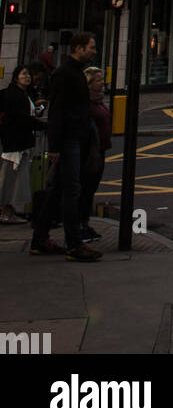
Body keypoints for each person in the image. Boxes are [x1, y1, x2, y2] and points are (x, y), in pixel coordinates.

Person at [30, 31, 103, 261]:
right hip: (68, 140)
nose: (94, 51)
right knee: (72, 191)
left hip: (75, 139)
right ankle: (74, 244)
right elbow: (57, 112)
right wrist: (54, 147)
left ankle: (39, 239)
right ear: (78, 48)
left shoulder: (76, 73)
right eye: (91, 47)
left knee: (59, 190)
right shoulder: (64, 74)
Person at [0, 66, 46, 222]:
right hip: (14, 142)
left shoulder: (25, 93)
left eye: (28, 74)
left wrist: (38, 110)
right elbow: (22, 118)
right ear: (16, 77)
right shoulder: (14, 95)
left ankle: (9, 209)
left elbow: (28, 114)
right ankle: (5, 211)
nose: (27, 77)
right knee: (9, 177)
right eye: (23, 74)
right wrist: (44, 125)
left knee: (17, 178)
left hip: (22, 142)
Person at [78, 68, 112, 242]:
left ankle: (85, 224)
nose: (102, 83)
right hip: (89, 152)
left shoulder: (97, 101)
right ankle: (79, 228)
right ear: (89, 84)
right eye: (99, 80)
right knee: (84, 189)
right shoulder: (85, 103)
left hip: (99, 150)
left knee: (90, 190)